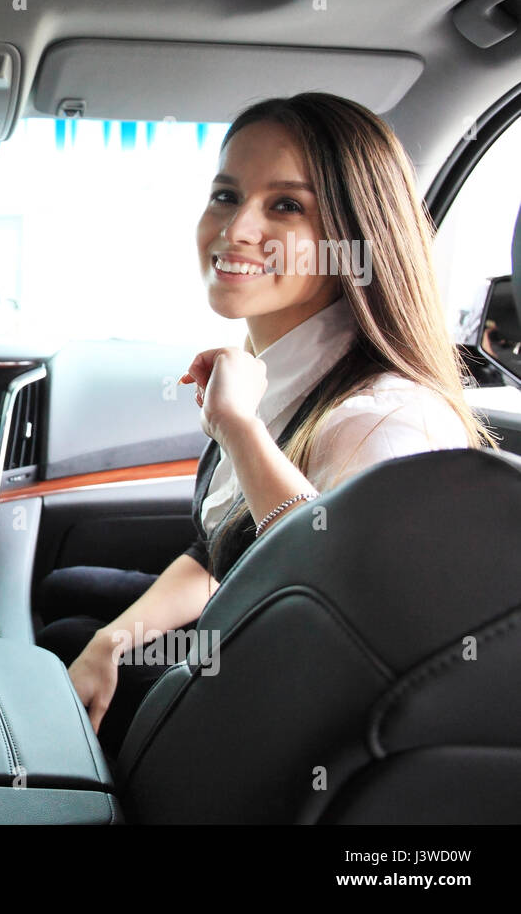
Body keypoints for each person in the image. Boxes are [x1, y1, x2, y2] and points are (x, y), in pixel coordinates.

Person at [36, 92, 497, 760]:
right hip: (250, 617)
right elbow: (216, 554)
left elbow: (338, 612)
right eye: (226, 195)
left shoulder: (382, 419)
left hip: (301, 693)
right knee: (70, 606)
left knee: (59, 641)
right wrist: (113, 640)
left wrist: (238, 428)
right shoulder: (272, 368)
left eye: (285, 205)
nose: (235, 229)